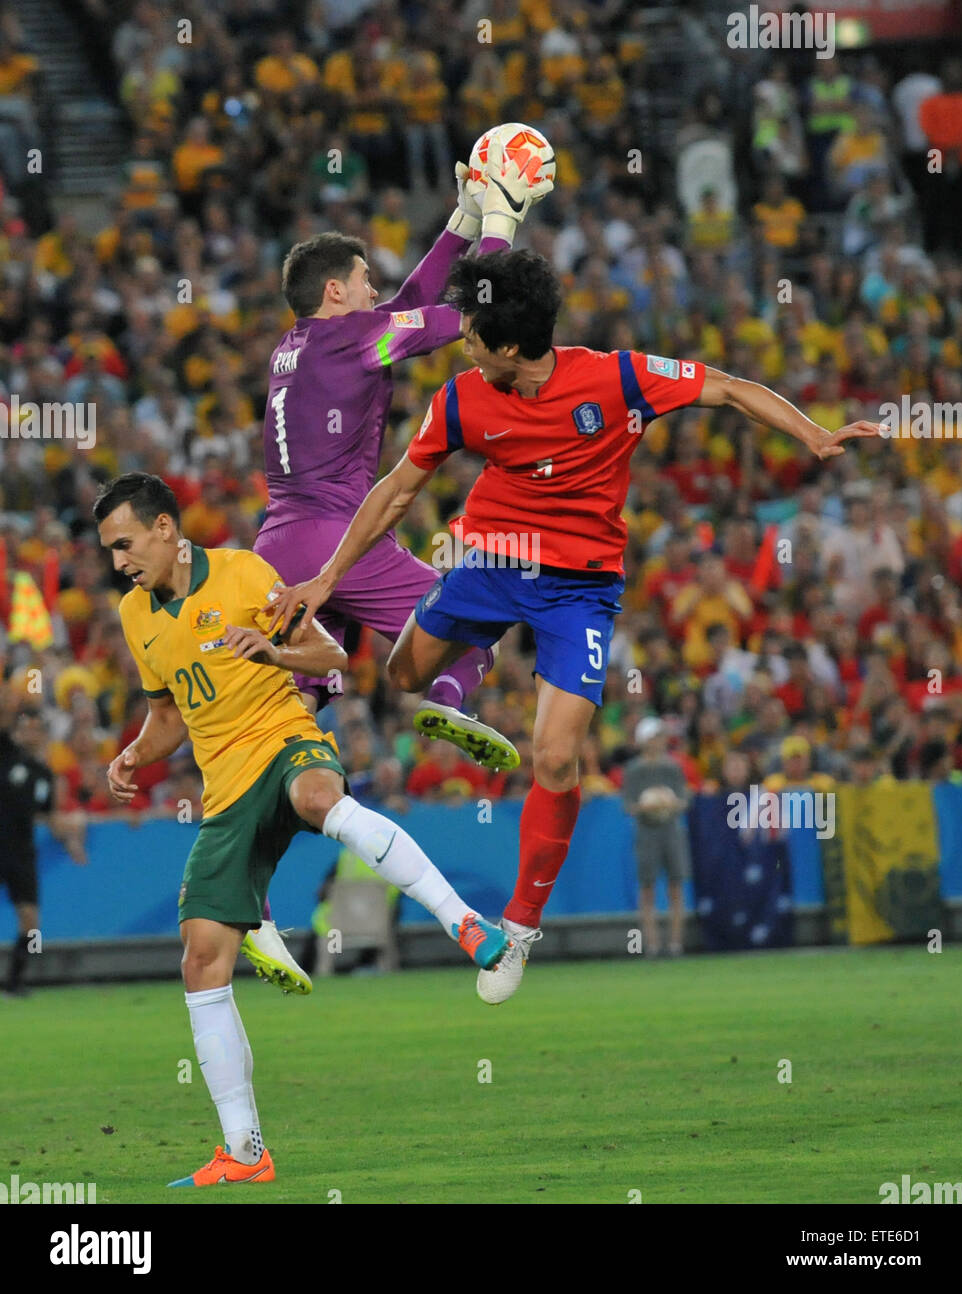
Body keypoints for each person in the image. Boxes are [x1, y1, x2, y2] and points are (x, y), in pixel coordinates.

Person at [266, 247, 885, 1005]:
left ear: (509, 348)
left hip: (578, 591)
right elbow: (395, 491)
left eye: (472, 338)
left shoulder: (616, 377)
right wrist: (327, 578)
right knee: (402, 675)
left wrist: (810, 434)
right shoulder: (461, 399)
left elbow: (723, 388)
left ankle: (519, 927)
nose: (461, 344)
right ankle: (466, 658)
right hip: (491, 562)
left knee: (555, 759)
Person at [96, 472, 512, 1187]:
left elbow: (330, 656)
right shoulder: (137, 616)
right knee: (200, 959)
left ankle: (467, 924)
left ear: (165, 528)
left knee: (320, 796)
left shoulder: (243, 573)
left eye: (125, 544)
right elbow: (168, 716)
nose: (118, 562)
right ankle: (245, 1151)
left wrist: (271, 651)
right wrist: (134, 752)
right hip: (225, 792)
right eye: (109, 550)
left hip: (284, 740)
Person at [245, 132, 551, 991]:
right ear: (337, 291)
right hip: (342, 537)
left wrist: (454, 222)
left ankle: (256, 913)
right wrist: (496, 220)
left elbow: (412, 302)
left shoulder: (301, 344)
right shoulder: (351, 342)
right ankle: (445, 697)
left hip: (283, 539)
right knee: (473, 611)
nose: (378, 290)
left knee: (283, 735)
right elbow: (469, 316)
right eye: (365, 281)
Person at [0, 685, 86, 998]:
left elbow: (50, 816)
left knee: (30, 919)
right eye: (25, 728)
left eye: (36, 730)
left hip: (21, 852)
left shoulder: (42, 774)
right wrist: (11, 699)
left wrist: (72, 841)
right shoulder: (5, 753)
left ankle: (14, 981)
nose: (30, 735)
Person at [623, 716, 690, 958]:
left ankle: (675, 943)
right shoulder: (635, 770)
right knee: (647, 887)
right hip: (646, 832)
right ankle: (651, 944)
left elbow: (684, 799)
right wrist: (646, 806)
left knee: (675, 885)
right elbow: (628, 805)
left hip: (670, 830)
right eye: (654, 737)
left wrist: (669, 803)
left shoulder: (672, 767)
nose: (659, 741)